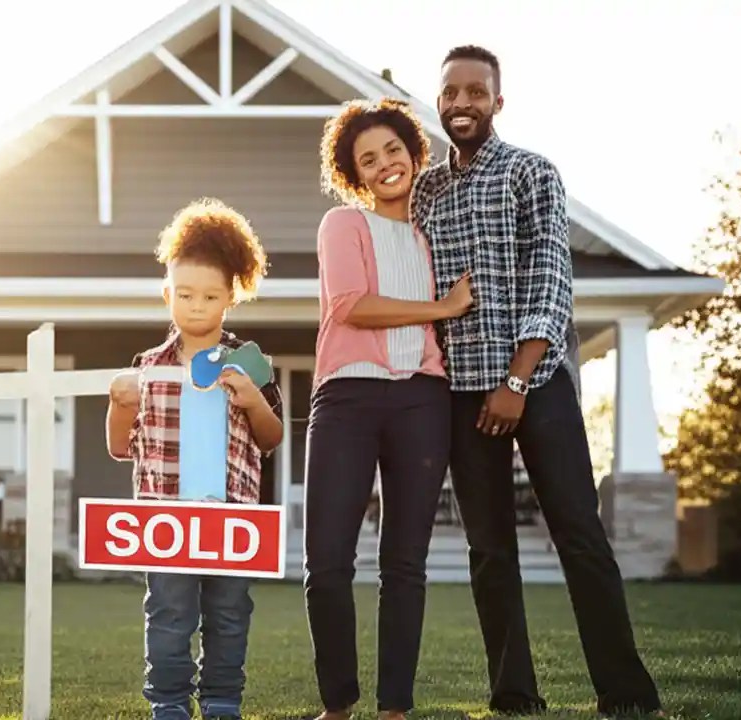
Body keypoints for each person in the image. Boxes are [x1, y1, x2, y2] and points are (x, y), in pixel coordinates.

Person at [410, 45, 663, 717]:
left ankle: (626, 693)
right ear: (439, 102)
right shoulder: (425, 192)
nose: (461, 102)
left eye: (475, 91)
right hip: (462, 391)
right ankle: (514, 695)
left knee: (579, 531)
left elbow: (551, 285)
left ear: (498, 100)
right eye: (450, 93)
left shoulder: (532, 173)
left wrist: (517, 382)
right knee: (489, 550)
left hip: (535, 380)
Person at [304, 98, 475, 720]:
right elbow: (352, 304)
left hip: (420, 400)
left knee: (405, 563)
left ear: (413, 152)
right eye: (367, 159)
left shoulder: (435, 232)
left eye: (393, 151)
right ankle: (338, 704)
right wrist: (442, 308)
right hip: (346, 395)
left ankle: (394, 709)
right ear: (355, 174)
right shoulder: (343, 225)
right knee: (326, 561)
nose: (384, 165)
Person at [106, 197, 285, 720]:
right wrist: (120, 406)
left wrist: (252, 400)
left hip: (233, 519)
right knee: (168, 613)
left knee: (230, 613)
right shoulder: (146, 368)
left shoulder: (249, 363)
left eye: (210, 296)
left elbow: (271, 438)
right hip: (166, 518)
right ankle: (168, 703)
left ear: (230, 297)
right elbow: (121, 446)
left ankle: (223, 701)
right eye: (185, 294)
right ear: (167, 294)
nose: (197, 306)